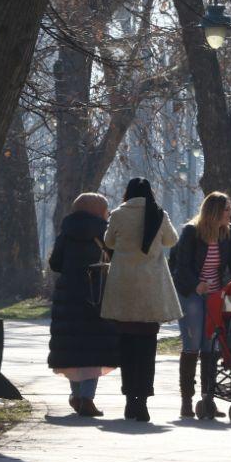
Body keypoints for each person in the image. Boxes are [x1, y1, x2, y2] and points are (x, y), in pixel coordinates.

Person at [100, 178, 182, 422]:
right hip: (150, 290)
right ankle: (143, 401)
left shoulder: (118, 214)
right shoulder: (158, 214)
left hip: (124, 288)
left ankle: (129, 400)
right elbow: (172, 240)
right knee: (147, 348)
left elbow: (109, 242)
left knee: (127, 347)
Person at [171, 192, 231, 418]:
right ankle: (187, 399)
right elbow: (179, 266)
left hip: (215, 293)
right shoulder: (191, 232)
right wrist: (196, 285)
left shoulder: (228, 232)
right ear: (214, 212)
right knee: (192, 344)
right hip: (192, 292)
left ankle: (208, 399)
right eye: (227, 210)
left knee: (211, 345)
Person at [47, 193, 119, 417]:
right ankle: (87, 398)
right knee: (93, 348)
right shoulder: (104, 232)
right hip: (95, 295)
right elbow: (115, 259)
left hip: (68, 295)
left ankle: (77, 396)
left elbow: (55, 263)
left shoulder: (66, 233)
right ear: (98, 210)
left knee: (72, 348)